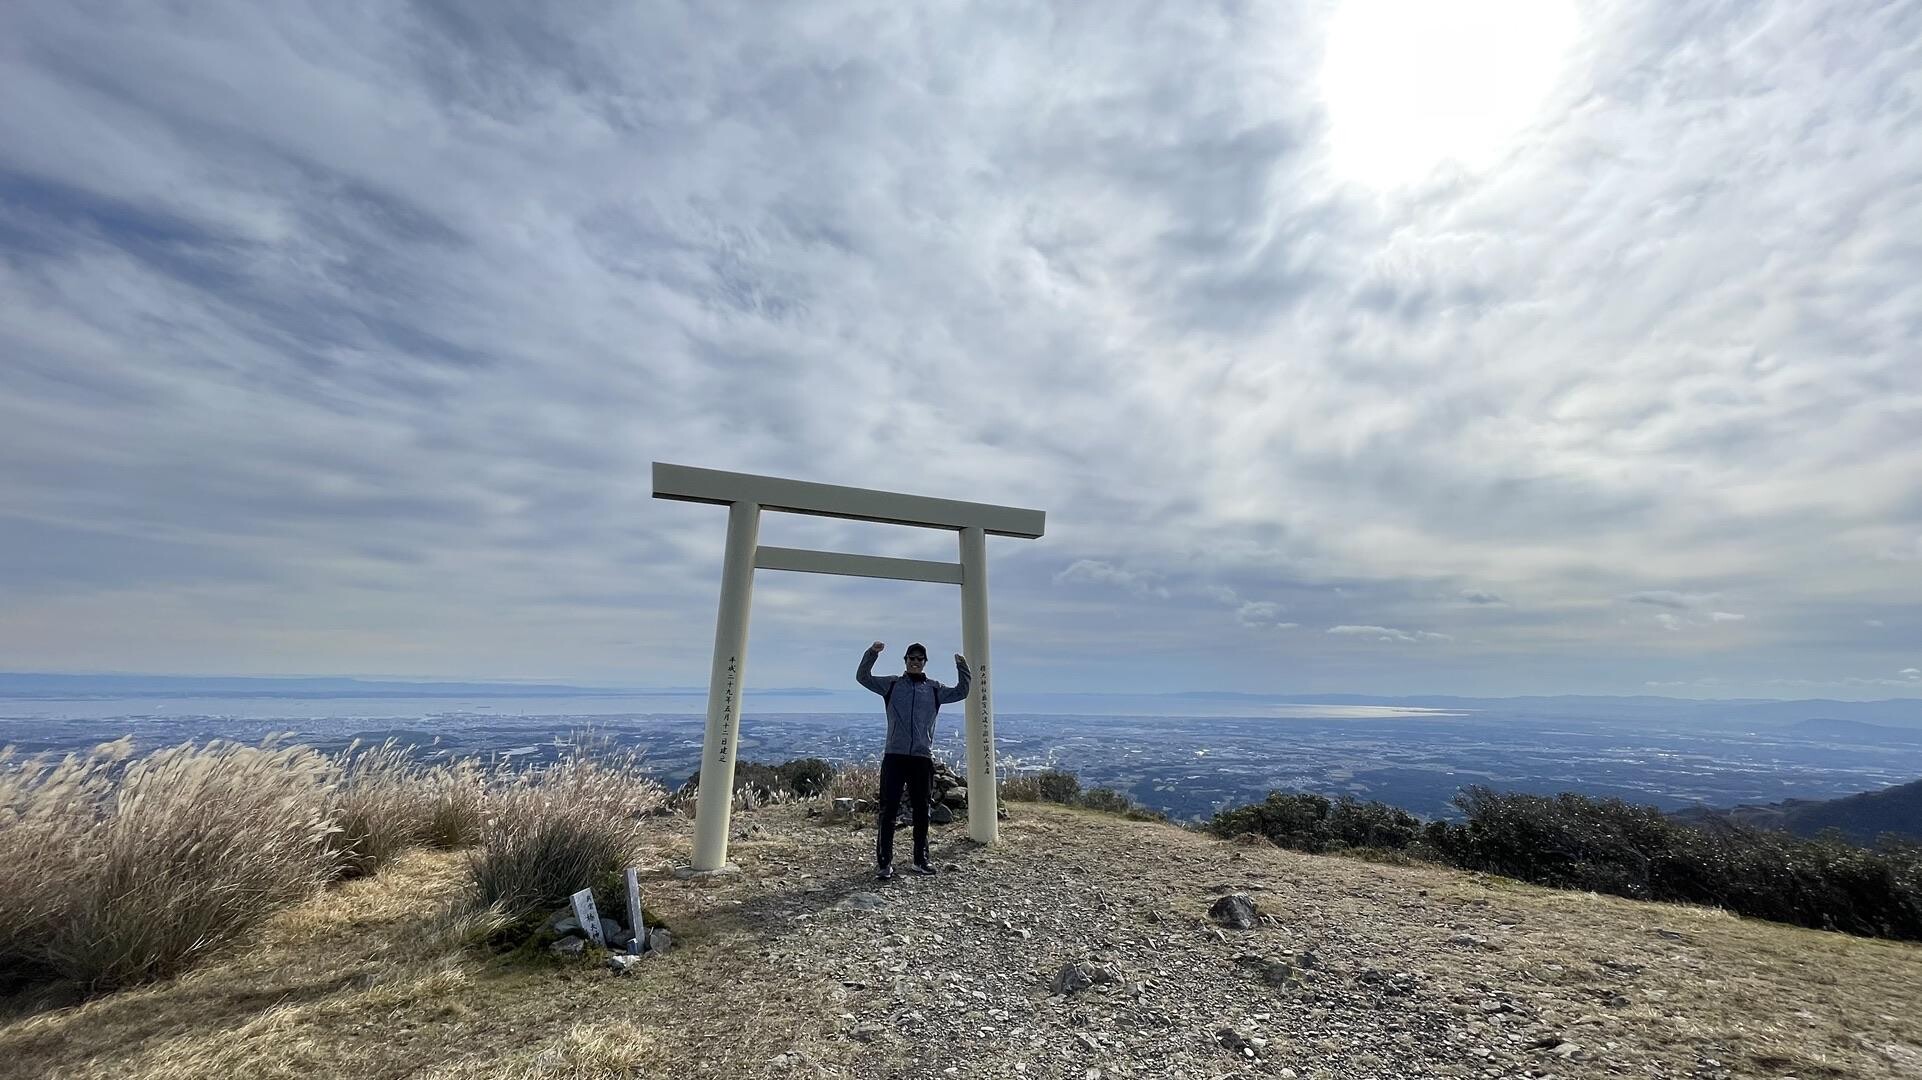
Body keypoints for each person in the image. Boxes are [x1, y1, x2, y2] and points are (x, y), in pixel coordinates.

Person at [856, 640, 970, 880]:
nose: (915, 662)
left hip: (921, 757)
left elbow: (962, 691)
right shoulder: (892, 685)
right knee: (888, 810)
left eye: (920, 659)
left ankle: (921, 860)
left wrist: (962, 666)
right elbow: (863, 677)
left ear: (925, 662)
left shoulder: (934, 689)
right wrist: (872, 653)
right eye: (911, 658)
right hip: (894, 756)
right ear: (905, 660)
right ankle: (884, 864)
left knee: (922, 810)